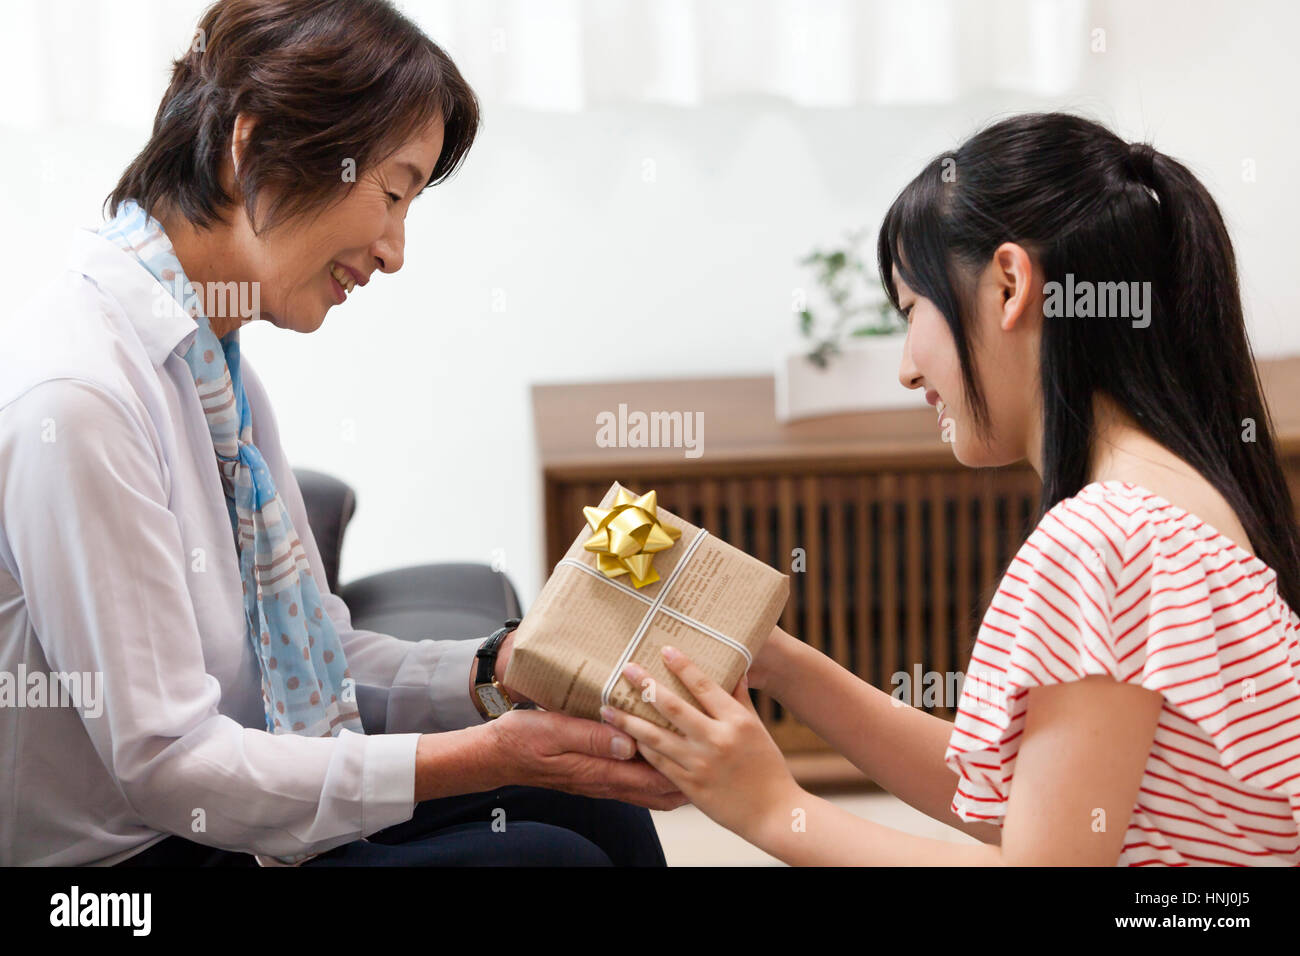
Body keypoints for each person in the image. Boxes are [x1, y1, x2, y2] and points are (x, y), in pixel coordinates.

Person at [0, 0, 681, 867]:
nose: (395, 250)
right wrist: (486, 752)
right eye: (392, 192)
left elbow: (316, 649)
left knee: (582, 811)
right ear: (252, 150)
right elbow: (170, 766)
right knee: (548, 861)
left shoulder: (213, 368)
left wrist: (495, 672)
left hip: (223, 812)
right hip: (124, 876)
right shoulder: (80, 396)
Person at [605, 112, 1300, 866]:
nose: (908, 367)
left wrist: (775, 810)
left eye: (911, 312)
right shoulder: (1182, 501)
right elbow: (1026, 803)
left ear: (1009, 285)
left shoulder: (1101, 540)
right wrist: (771, 657)